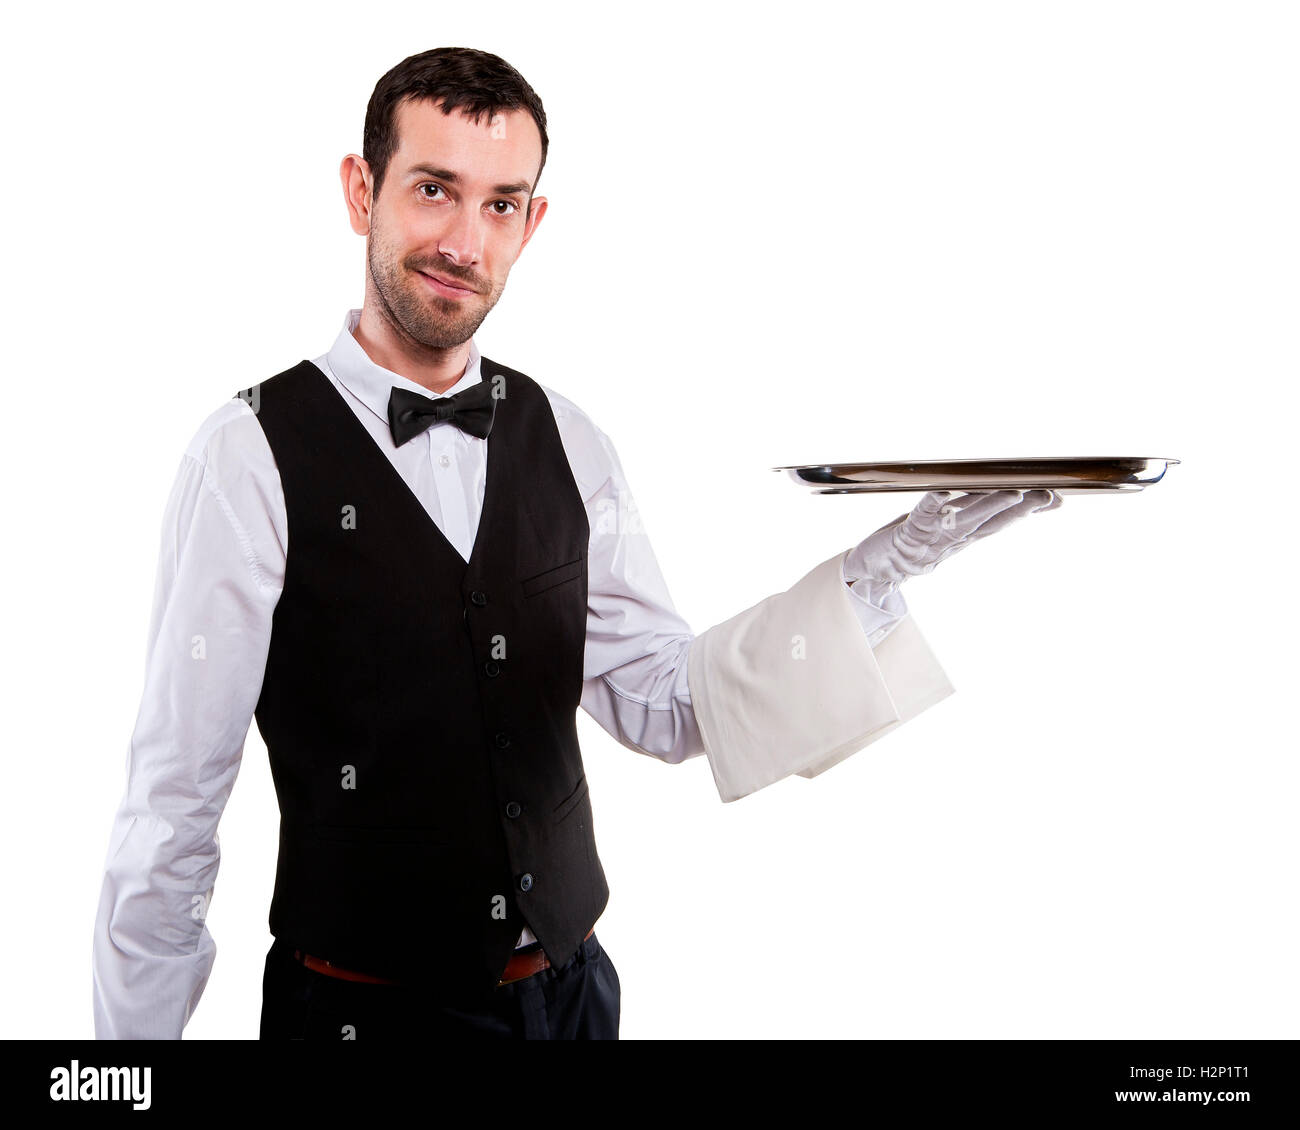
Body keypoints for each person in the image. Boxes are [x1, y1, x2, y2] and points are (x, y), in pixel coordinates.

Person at [91, 46, 1061, 1041]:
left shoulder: (570, 437)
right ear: (360, 189)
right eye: (434, 190)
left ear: (532, 222)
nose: (465, 242)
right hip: (360, 1015)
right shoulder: (246, 454)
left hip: (573, 999)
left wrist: (889, 563)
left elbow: (667, 699)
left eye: (501, 203)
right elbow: (173, 802)